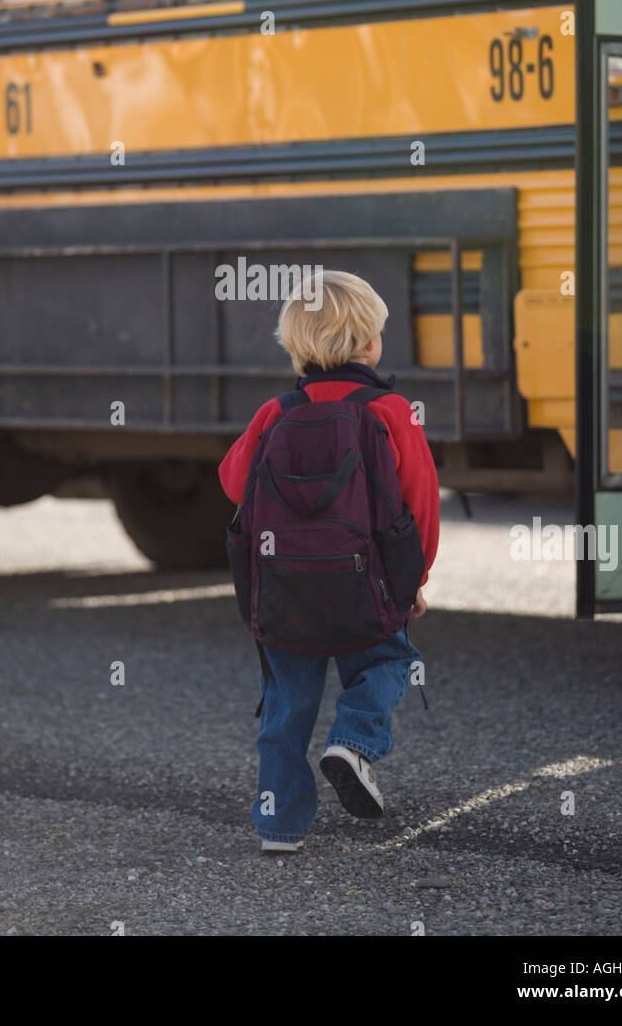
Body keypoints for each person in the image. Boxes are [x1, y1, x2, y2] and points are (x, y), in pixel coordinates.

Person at [218, 269, 440, 852]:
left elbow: (233, 481)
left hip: (285, 592)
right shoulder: (391, 409)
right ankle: (353, 740)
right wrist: (413, 579)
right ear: (372, 343)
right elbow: (420, 502)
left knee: (286, 707)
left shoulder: (277, 411)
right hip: (365, 586)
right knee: (390, 661)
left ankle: (278, 826)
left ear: (296, 345)